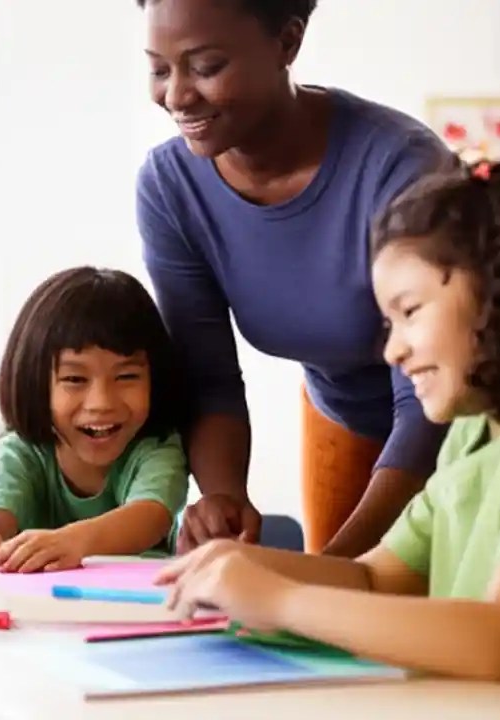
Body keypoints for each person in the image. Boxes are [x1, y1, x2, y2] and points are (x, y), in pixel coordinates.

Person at [154, 157, 500, 714]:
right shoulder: (472, 433)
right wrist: (233, 568)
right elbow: (375, 580)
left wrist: (280, 597)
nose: (392, 351)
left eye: (410, 312)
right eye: (389, 325)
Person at [135, 0, 455, 557]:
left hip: (460, 423)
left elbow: (428, 405)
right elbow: (209, 378)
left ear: (288, 43)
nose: (177, 95)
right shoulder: (171, 187)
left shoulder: (400, 168)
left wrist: (322, 573)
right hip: (342, 418)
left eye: (206, 67)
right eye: (160, 69)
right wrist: (224, 497)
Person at [0, 267, 189, 573]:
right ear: (34, 382)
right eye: (75, 379)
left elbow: (150, 517)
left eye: (127, 376)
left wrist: (73, 542)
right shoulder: (23, 451)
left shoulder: (157, 448)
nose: (101, 403)